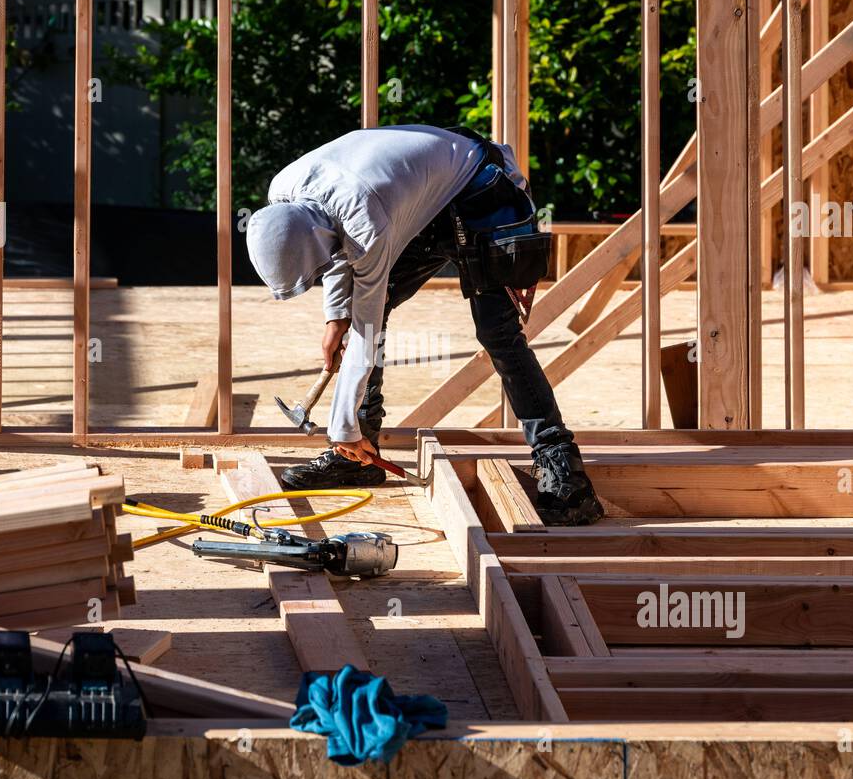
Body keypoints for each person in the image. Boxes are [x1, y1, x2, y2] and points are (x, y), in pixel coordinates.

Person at [245, 124, 603, 526]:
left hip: (483, 189)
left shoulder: (365, 222)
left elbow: (365, 327)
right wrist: (334, 317)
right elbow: (333, 245)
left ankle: (563, 470)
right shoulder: (284, 194)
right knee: (368, 315)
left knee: (497, 332)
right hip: (418, 204)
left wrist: (339, 423)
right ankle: (360, 458)